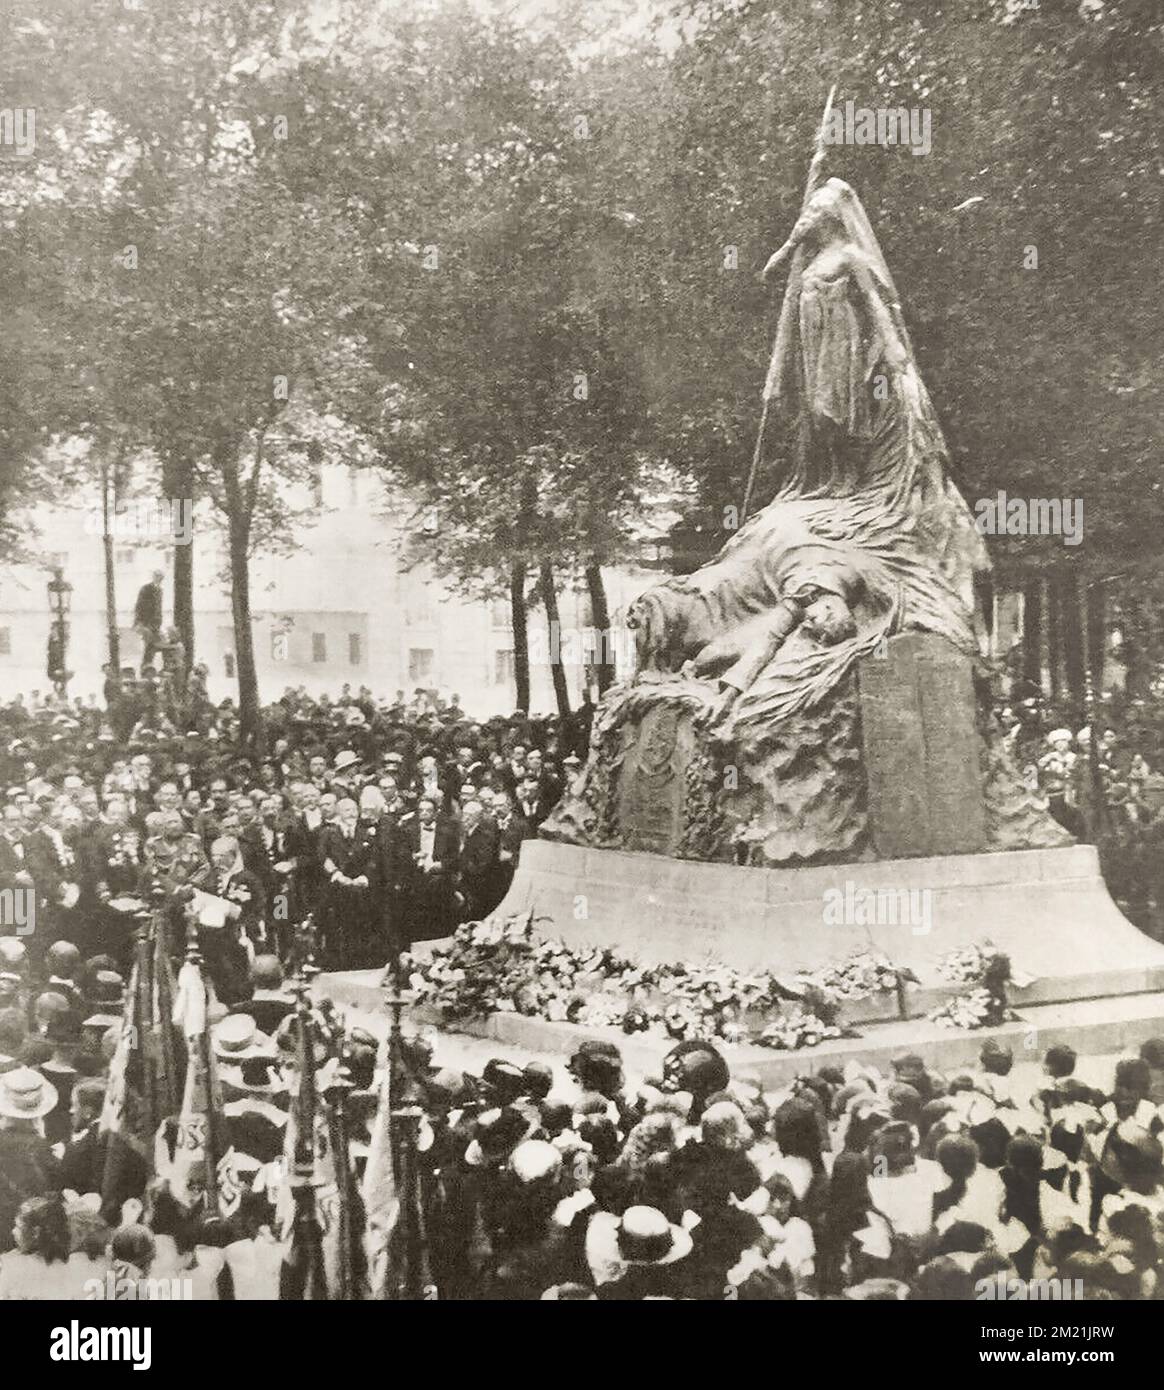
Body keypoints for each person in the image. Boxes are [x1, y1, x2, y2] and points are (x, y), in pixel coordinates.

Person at [133, 570, 165, 670]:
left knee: (153, 646)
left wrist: (159, 622)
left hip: (155, 624)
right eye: (157, 576)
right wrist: (140, 623)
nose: (159, 579)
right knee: (150, 645)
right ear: (154, 577)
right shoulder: (146, 588)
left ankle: (147, 666)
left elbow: (158, 608)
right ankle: (145, 667)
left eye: (161, 577)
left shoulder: (160, 590)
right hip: (146, 623)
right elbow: (139, 605)